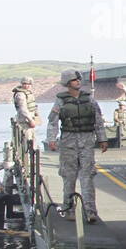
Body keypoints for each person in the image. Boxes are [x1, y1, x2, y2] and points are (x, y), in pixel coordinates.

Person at [46, 69, 108, 222]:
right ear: (68, 83)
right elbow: (53, 121)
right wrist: (51, 140)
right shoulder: (60, 101)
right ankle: (69, 209)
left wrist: (102, 139)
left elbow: (98, 120)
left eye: (79, 79)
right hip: (68, 142)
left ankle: (90, 211)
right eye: (74, 80)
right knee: (69, 176)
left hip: (87, 140)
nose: (78, 82)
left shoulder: (90, 99)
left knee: (87, 176)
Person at [11, 76, 40, 143]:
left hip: (31, 121)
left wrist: (36, 115)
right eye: (25, 84)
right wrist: (30, 120)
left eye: (29, 84)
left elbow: (33, 105)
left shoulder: (28, 93)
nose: (27, 86)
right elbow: (23, 109)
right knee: (26, 142)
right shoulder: (20, 94)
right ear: (22, 84)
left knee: (32, 141)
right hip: (24, 122)